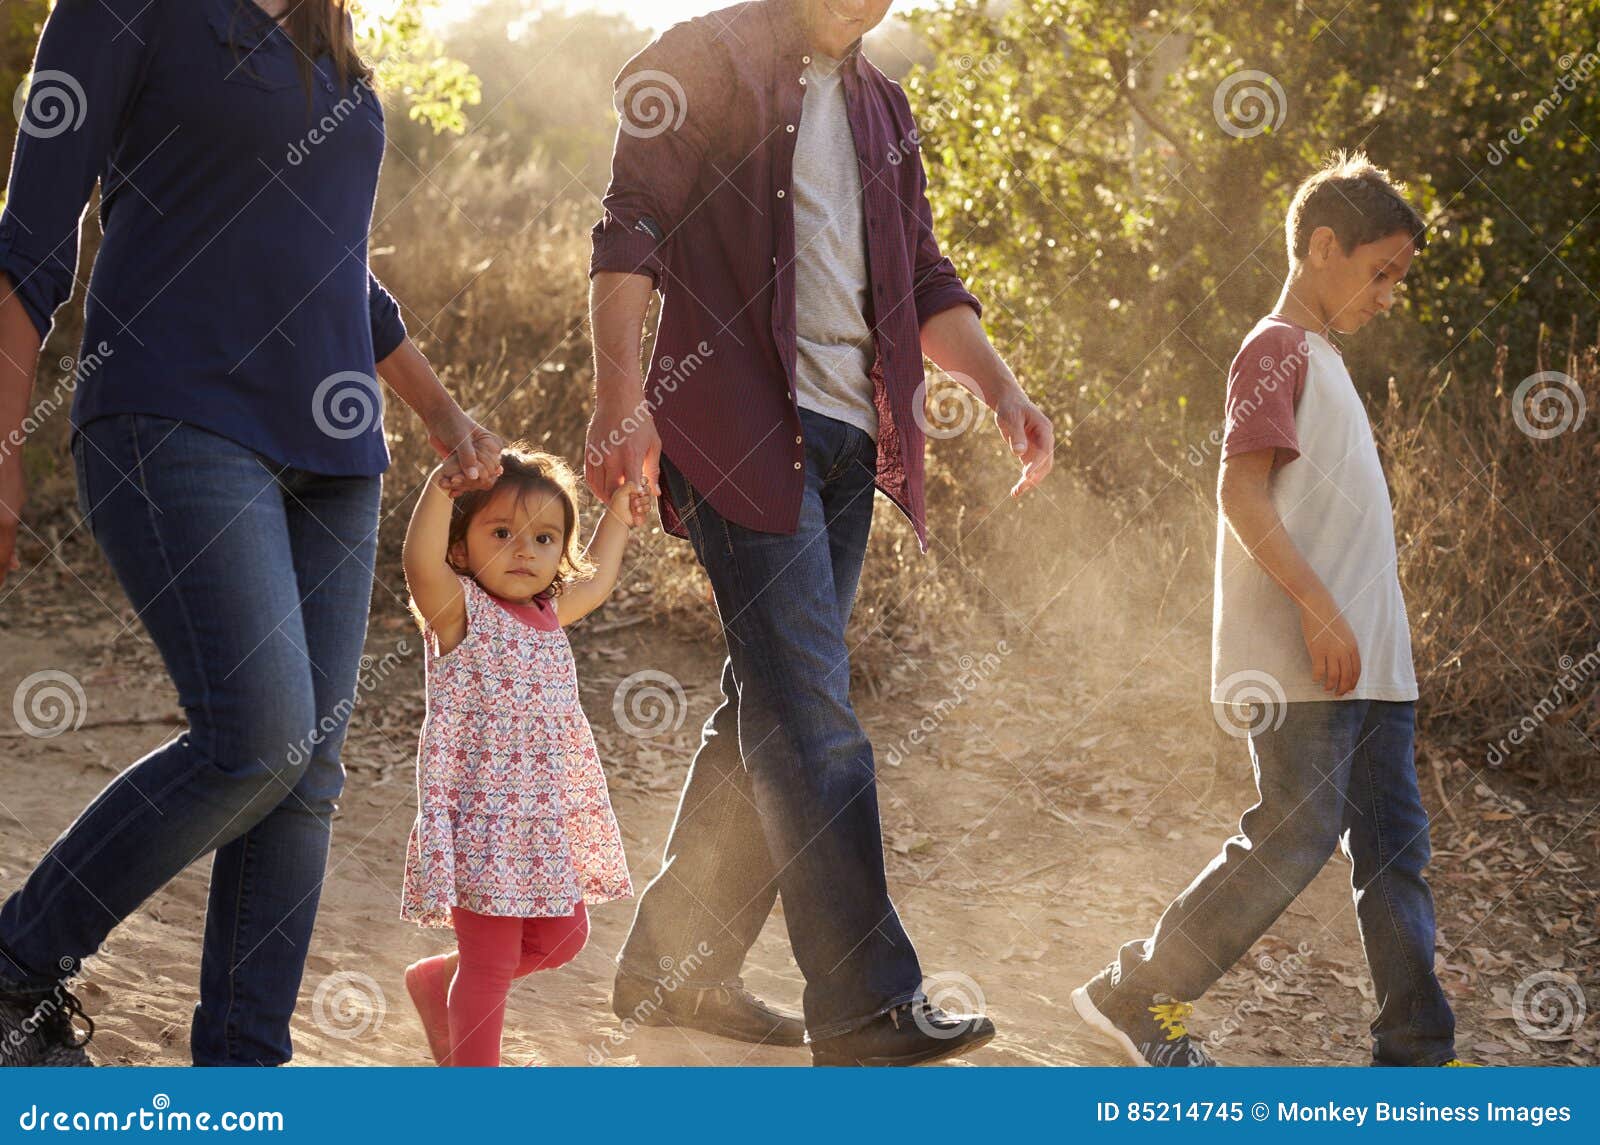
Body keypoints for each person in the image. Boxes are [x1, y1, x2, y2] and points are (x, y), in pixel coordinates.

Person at [0, 0, 502, 1066]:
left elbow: (337, 270)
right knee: (259, 736)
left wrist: (440, 411)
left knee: (305, 769)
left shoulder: (338, 59)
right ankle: (13, 965)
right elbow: (31, 234)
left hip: (333, 451)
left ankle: (244, 1069)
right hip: (172, 411)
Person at [587, 0, 1054, 1066]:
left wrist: (998, 384)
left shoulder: (886, 106)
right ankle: (864, 1004)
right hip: (737, 425)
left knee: (766, 705)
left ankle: (675, 968)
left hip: (849, 441)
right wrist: (621, 393)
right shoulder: (701, 58)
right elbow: (630, 225)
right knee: (813, 719)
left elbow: (925, 276)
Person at [1071, 151, 1468, 1068]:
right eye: (1383, 271)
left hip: (1371, 667)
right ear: (1323, 246)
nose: (1390, 293)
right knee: (1294, 837)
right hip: (1301, 655)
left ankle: (1417, 1053)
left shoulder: (1322, 359)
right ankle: (1139, 990)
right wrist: (1323, 613)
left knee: (1393, 854)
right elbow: (1241, 495)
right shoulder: (1275, 347)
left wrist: (1370, 635)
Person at [398, 446, 636, 1067]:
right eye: (501, 532)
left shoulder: (548, 617)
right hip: (482, 823)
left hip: (542, 824)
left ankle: (436, 981)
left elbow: (602, 579)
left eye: (544, 538)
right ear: (460, 548)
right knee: (492, 964)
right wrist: (442, 486)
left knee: (564, 937)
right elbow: (416, 560)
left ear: (561, 553)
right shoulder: (458, 614)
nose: (524, 550)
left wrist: (617, 512)